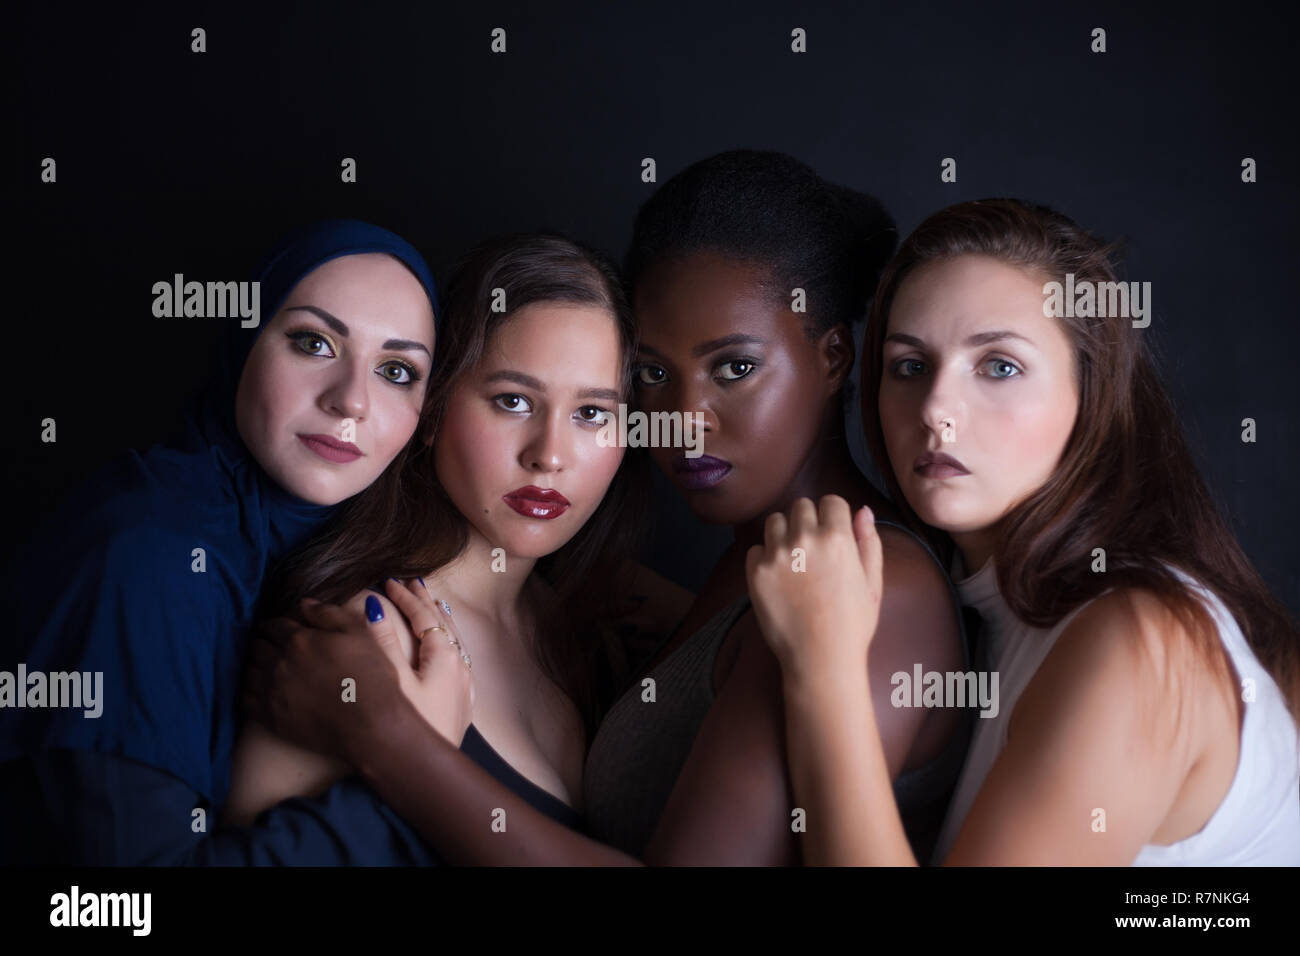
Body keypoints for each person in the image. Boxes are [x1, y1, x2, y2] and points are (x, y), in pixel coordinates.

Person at [247, 152, 975, 865]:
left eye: (735, 368)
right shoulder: (724, 578)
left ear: (833, 358)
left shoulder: (875, 585)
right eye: (655, 374)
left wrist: (391, 739)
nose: (685, 419)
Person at [744, 198, 1300, 865]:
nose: (937, 412)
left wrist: (821, 665)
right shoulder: (996, 604)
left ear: (1089, 397)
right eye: (910, 367)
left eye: (999, 366)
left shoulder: (1138, 637)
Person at [0, 219, 446, 864]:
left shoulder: (360, 557)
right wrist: (417, 776)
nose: (351, 401)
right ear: (244, 343)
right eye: (313, 342)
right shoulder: (148, 557)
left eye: (398, 370)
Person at [233, 232, 648, 833]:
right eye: (512, 401)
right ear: (432, 413)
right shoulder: (365, 635)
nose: (549, 455)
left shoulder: (584, 635)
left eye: (591, 414)